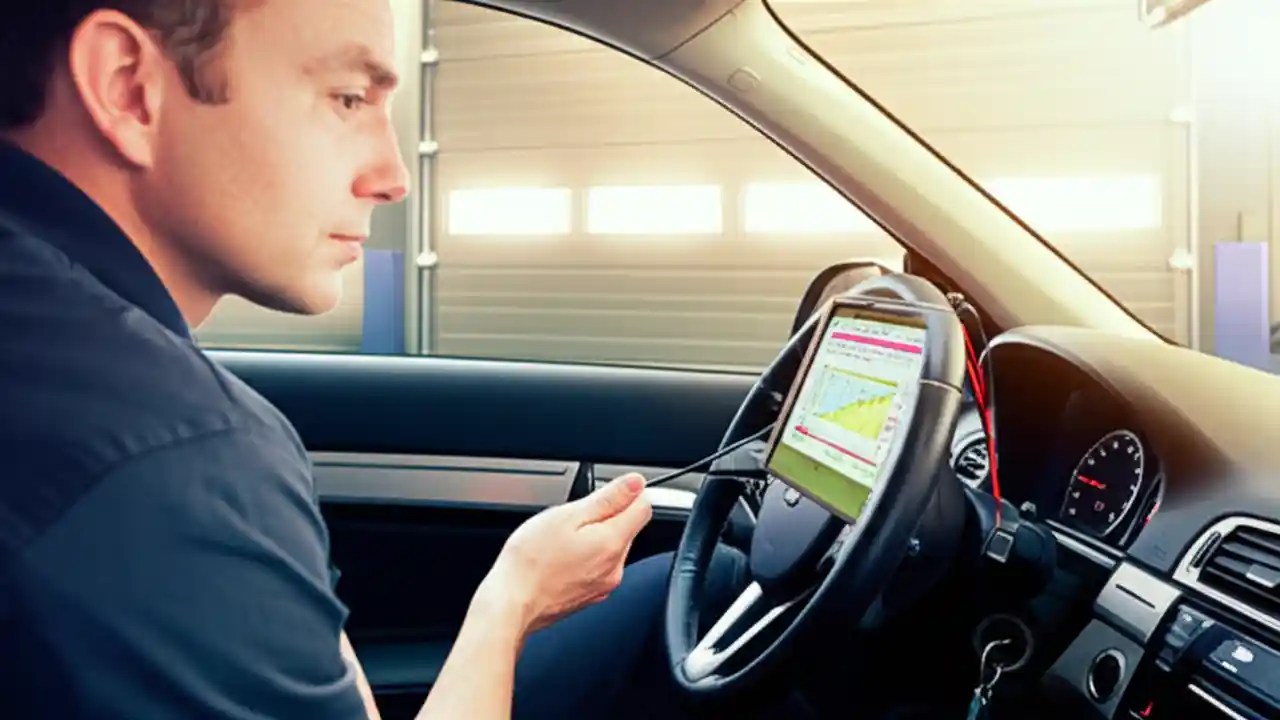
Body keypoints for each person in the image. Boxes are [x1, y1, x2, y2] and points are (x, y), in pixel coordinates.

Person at [0, 1, 749, 718]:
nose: (394, 176)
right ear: (129, 87)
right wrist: (511, 601)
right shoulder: (173, 457)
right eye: (349, 99)